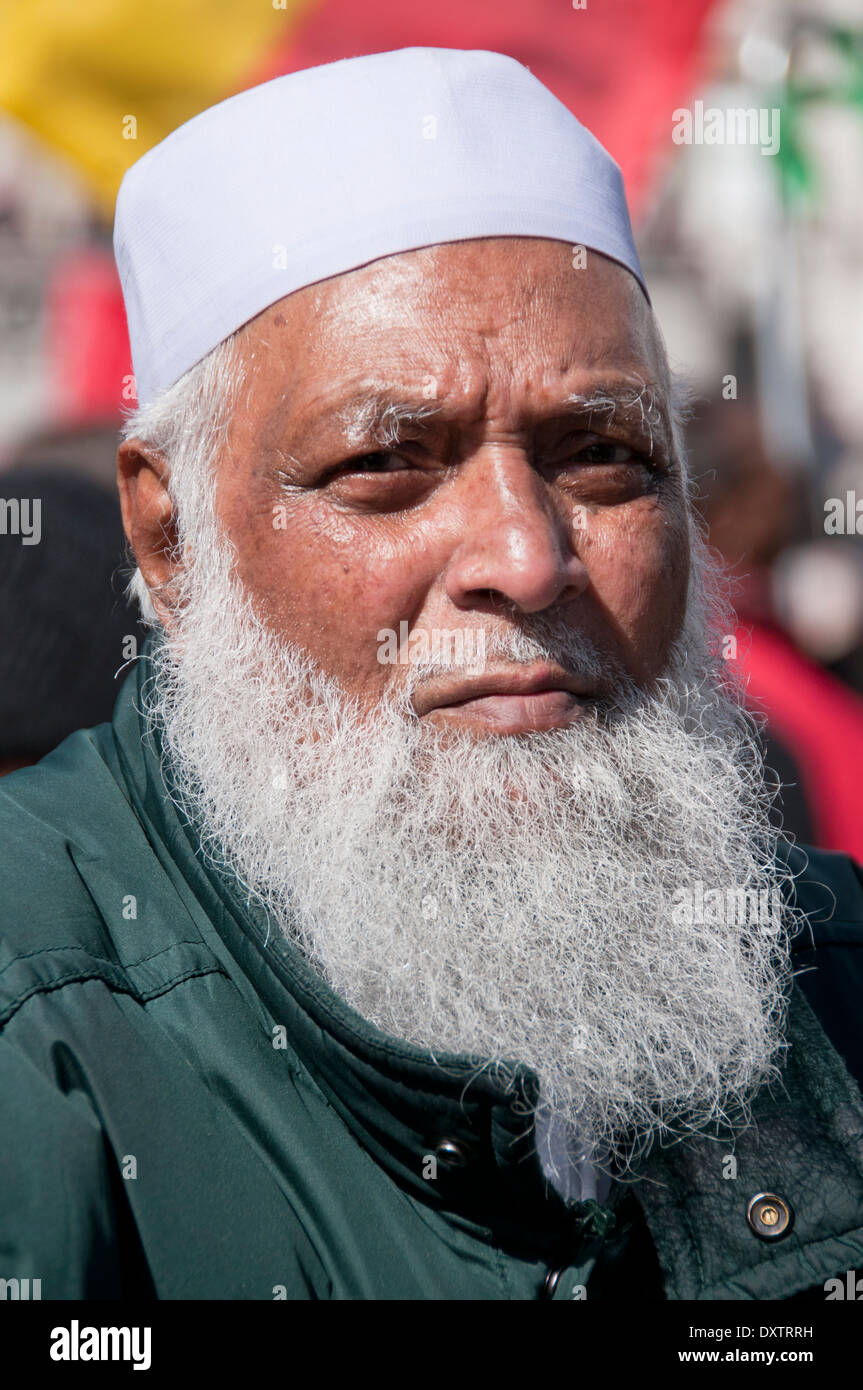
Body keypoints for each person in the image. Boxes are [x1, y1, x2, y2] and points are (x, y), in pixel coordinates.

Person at [1, 47, 862, 1302]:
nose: (525, 557)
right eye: (386, 466)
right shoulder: (40, 1036)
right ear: (170, 537)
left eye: (601, 454)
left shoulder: (827, 978)